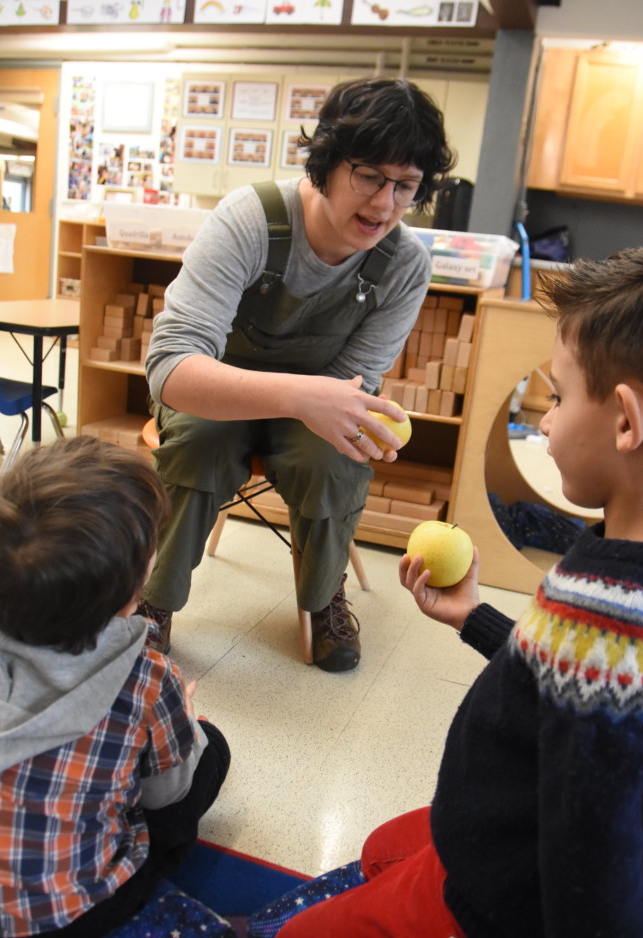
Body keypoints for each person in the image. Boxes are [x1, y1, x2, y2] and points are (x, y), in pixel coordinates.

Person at [249, 245, 643, 938]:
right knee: (382, 849)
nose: (545, 417)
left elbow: (592, 867)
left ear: (624, 421)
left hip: (504, 928)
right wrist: (470, 616)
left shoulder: (604, 613)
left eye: (558, 396)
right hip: (513, 855)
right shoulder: (624, 601)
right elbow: (590, 688)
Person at [140, 76, 455, 673]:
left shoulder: (404, 264)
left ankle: (323, 597)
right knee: (200, 443)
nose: (385, 204)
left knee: (335, 458)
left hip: (315, 405)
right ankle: (153, 600)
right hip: (214, 391)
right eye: (370, 177)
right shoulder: (250, 219)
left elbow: (353, 384)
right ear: (328, 162)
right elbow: (172, 368)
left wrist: (332, 412)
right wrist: (297, 394)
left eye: (406, 186)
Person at [0, 435, 230, 938]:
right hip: (69, 914)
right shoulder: (147, 678)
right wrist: (178, 711)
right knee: (209, 750)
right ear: (133, 591)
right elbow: (168, 793)